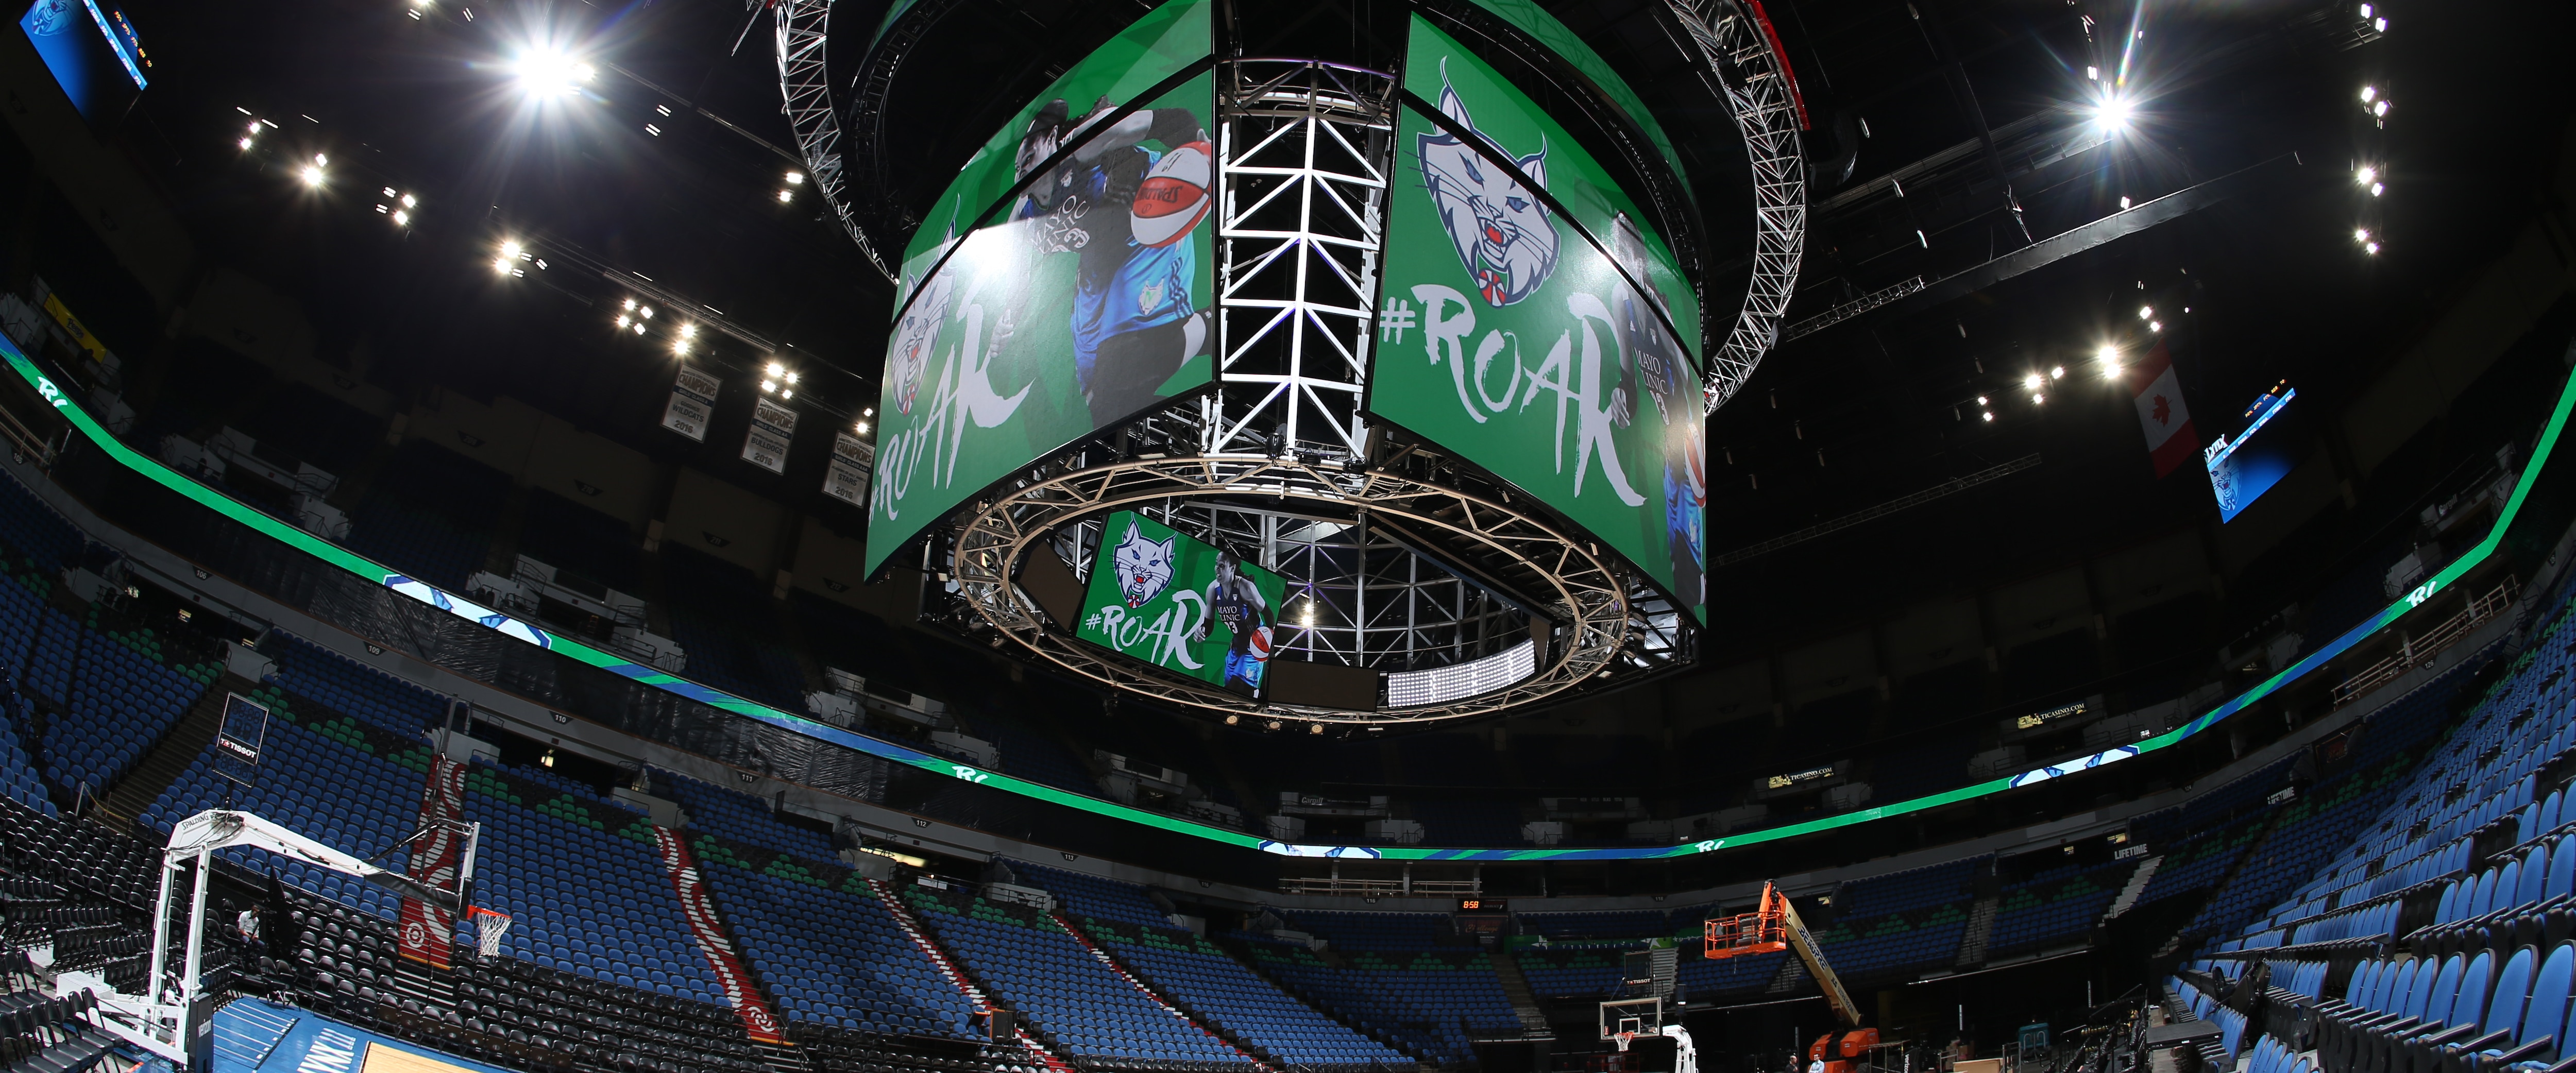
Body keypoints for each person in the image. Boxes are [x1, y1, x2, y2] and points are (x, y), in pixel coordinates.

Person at [1008, 97, 1214, 427]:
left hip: (1145, 219)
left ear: (1051, 141)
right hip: (1100, 256)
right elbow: (1010, 263)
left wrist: (1197, 153)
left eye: (1031, 156)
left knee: (1125, 360)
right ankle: (1175, 433)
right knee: (1098, 401)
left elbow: (1175, 118)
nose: (1023, 169)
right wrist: (1010, 312)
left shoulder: (1081, 146)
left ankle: (1210, 327)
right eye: (1020, 165)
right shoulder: (1023, 211)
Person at [1196, 550, 1276, 694]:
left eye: (1222, 566)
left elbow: (1269, 615)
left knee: (1238, 689)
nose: (1217, 569)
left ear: (1232, 568)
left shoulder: (1246, 588)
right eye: (1216, 565)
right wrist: (1202, 631)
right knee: (1228, 693)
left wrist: (1269, 642)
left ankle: (1255, 693)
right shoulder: (1212, 590)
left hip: (1254, 645)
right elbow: (1208, 625)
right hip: (1236, 646)